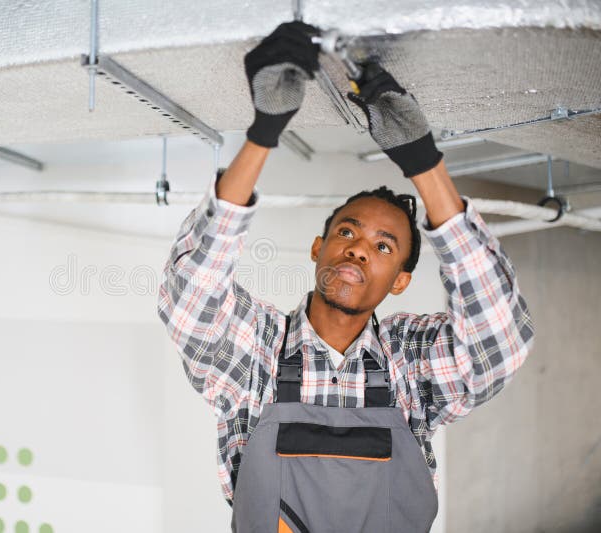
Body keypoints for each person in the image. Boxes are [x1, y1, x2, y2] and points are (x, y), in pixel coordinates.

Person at [158, 21, 534, 532]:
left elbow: (499, 343)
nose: (358, 249)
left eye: (383, 247)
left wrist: (423, 162)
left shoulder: (411, 364)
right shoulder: (257, 353)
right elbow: (190, 299)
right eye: (347, 233)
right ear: (319, 249)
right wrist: (264, 131)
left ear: (400, 280)